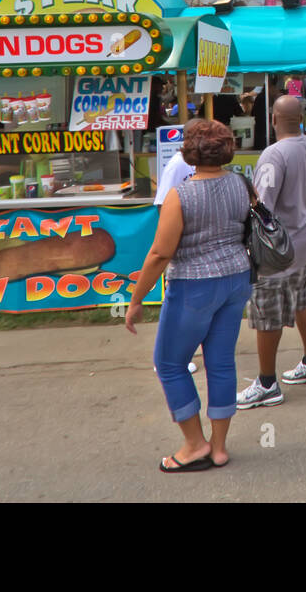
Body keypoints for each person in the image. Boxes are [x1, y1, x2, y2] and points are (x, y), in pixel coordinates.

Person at [126, 119, 252, 472]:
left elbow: (159, 255)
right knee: (221, 362)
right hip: (236, 279)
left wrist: (136, 299)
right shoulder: (242, 185)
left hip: (194, 286)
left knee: (169, 362)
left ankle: (195, 444)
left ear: (190, 152)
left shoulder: (180, 195)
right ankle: (220, 447)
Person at [236, 96, 306, 411]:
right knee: (305, 298)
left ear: (273, 118)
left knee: (267, 311)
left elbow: (264, 207)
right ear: (301, 118)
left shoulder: (273, 155)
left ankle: (266, 383)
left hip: (281, 249)